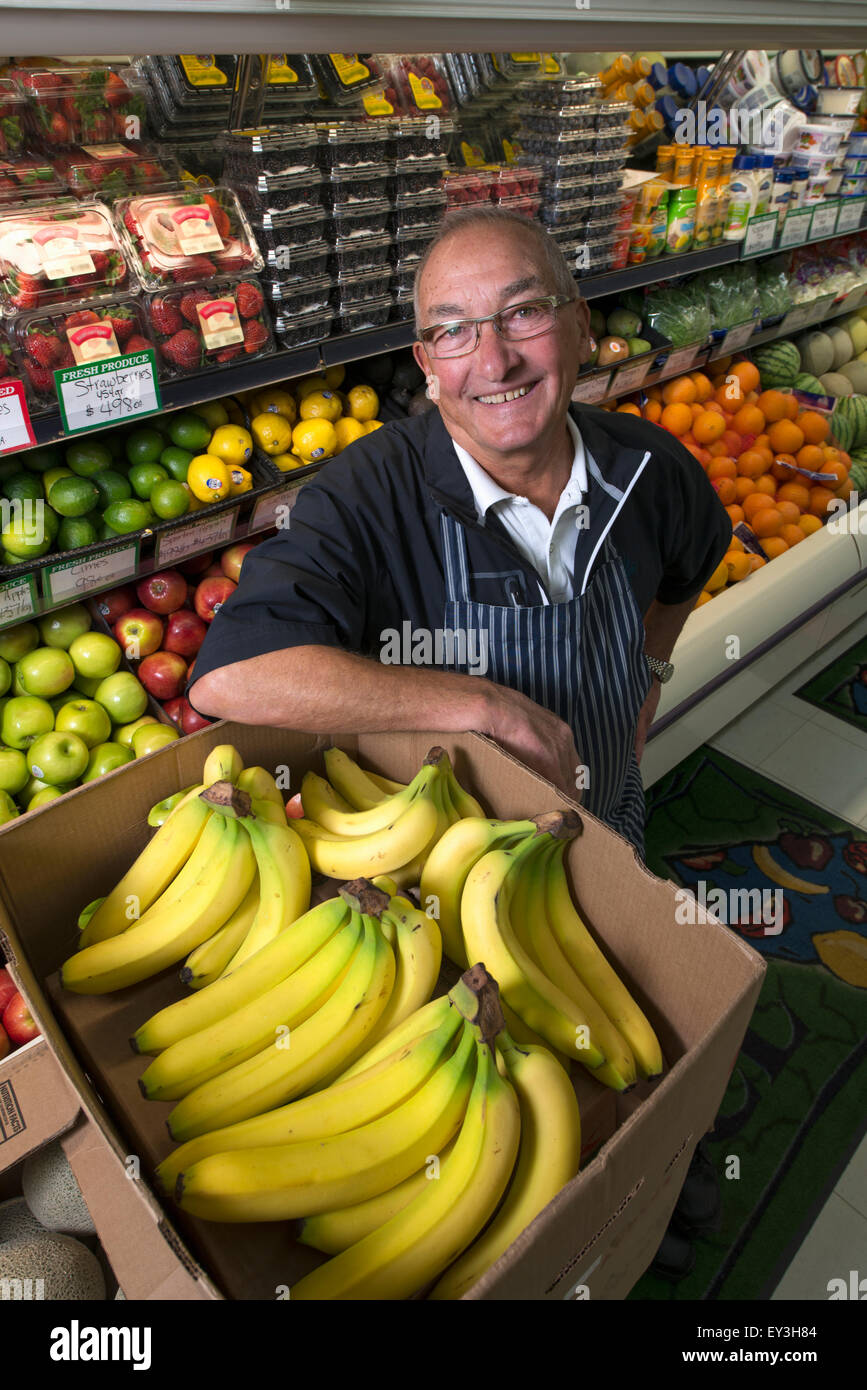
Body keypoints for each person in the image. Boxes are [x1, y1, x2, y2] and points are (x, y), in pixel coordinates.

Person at [189, 205, 731, 855]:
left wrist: (650, 670)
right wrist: (481, 706)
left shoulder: (649, 465)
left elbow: (691, 561)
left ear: (580, 325)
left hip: (610, 820)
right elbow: (232, 676)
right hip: (442, 867)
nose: (494, 363)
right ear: (426, 364)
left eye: (523, 313)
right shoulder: (367, 490)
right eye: (453, 332)